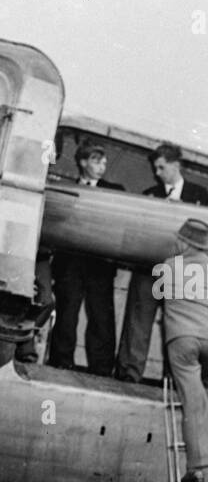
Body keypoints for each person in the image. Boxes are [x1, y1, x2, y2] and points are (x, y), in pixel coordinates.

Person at [116, 143, 208, 382]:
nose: (156, 173)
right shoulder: (150, 195)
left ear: (176, 165)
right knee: (138, 322)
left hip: (182, 274)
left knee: (179, 328)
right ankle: (129, 372)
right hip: (150, 269)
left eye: (161, 167)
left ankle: (175, 377)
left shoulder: (200, 196)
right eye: (155, 168)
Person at [158, 219, 208, 482]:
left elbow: (163, 294)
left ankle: (197, 466)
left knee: (191, 397)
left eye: (179, 239)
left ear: (186, 243)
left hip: (183, 338)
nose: (176, 242)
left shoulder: (170, 265)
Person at [48, 143, 124, 375]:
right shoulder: (67, 189)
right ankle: (61, 361)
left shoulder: (115, 191)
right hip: (69, 264)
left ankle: (101, 368)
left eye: (103, 162)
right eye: (96, 161)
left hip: (99, 264)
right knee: (66, 313)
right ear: (82, 162)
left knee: (101, 317)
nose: (102, 167)